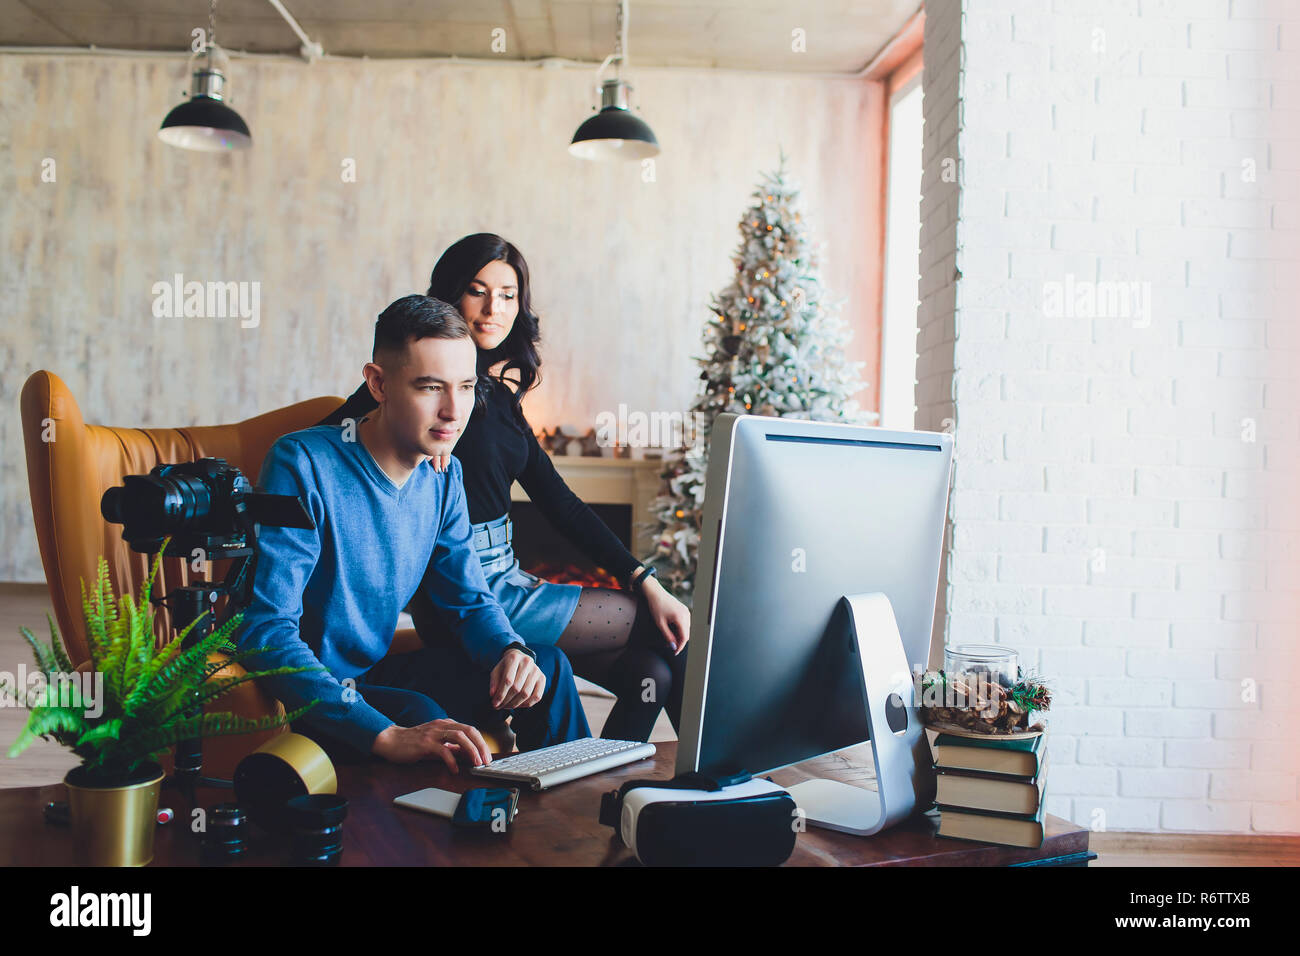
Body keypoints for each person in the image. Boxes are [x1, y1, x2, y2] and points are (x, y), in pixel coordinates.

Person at [320, 234, 691, 742]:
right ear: (448, 297)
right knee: (670, 634)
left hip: (509, 575)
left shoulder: (494, 396)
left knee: (653, 674)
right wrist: (413, 429)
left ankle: (616, 793)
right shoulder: (410, 389)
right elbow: (324, 443)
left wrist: (644, 578)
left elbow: (562, 504)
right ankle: (719, 777)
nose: (493, 308)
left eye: (509, 294)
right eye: (477, 291)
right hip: (464, 587)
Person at [238, 294, 591, 770]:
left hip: (376, 671)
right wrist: (384, 735)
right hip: (313, 689)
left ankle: (567, 824)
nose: (453, 411)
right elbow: (266, 630)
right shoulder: (302, 463)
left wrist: (510, 650)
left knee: (545, 667)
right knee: (426, 720)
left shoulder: (443, 476)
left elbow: (469, 599)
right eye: (430, 388)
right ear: (378, 384)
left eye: (466, 387)